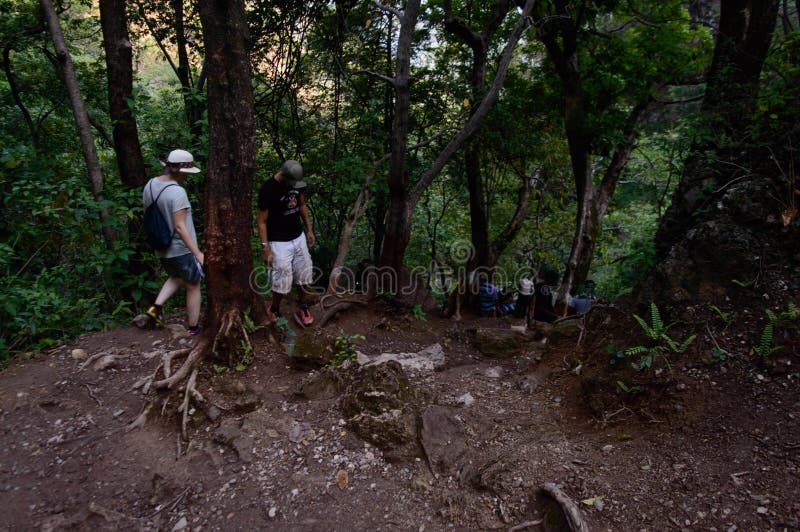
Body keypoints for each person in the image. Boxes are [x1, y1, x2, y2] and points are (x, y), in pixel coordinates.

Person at [144, 149, 204, 336]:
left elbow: (146, 214)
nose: (187, 176)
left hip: (161, 246)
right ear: (179, 171)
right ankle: (193, 328)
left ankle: (156, 308)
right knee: (193, 285)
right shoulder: (177, 192)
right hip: (181, 248)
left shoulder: (150, 185)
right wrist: (198, 253)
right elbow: (180, 226)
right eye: (186, 172)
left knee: (176, 276)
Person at [257, 160, 316, 326]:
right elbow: (261, 221)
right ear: (284, 176)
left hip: (298, 236)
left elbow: (302, 204)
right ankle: (275, 308)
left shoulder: (297, 183)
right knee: (282, 278)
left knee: (304, 273)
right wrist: (265, 248)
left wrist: (309, 230)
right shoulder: (268, 189)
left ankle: (303, 306)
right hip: (278, 241)